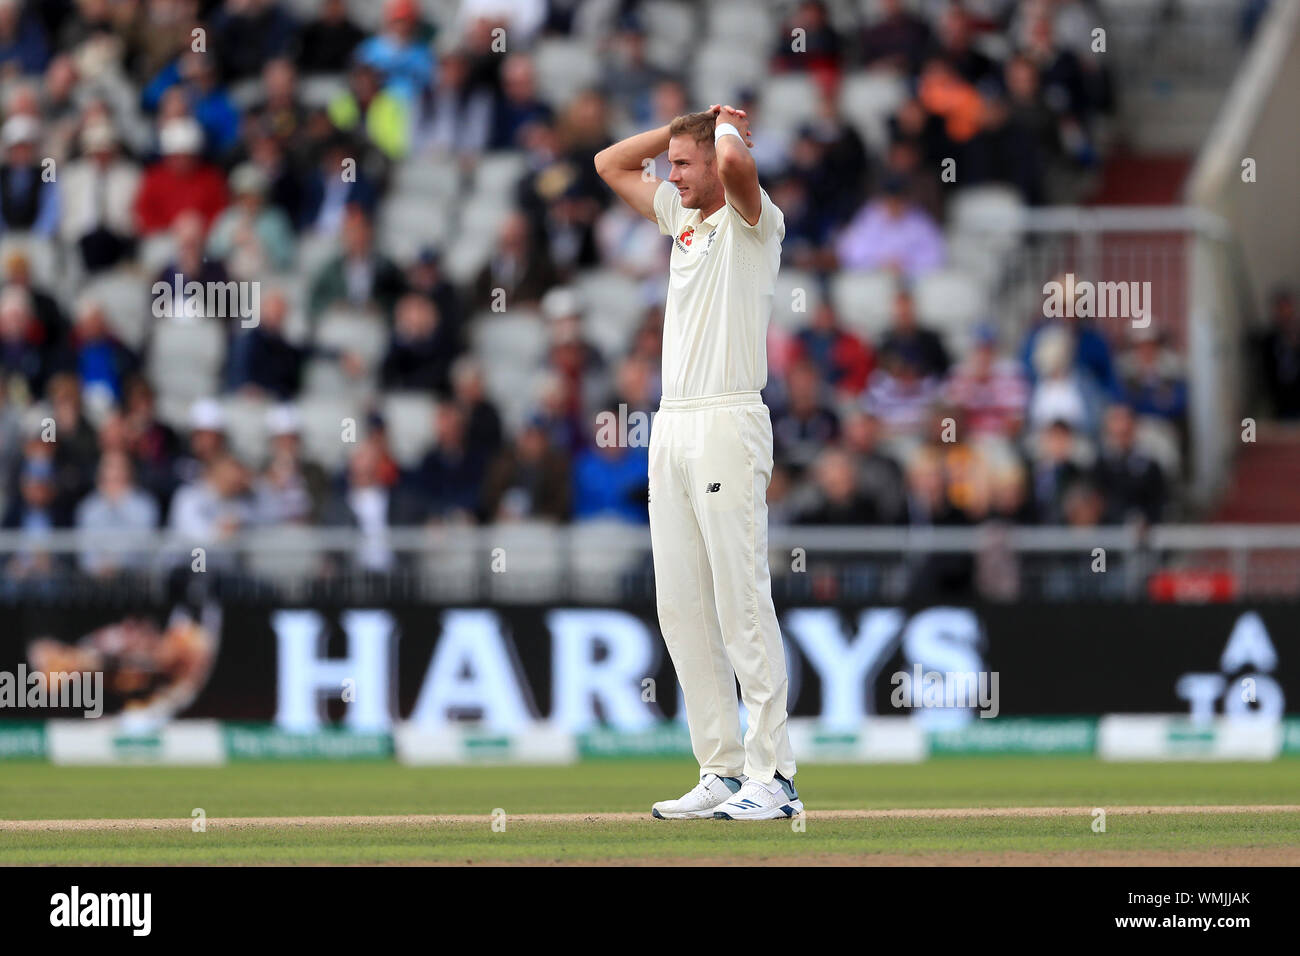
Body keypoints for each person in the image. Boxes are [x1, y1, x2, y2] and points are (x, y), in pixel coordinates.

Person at [595, 104, 802, 820]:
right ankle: (722, 768)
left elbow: (741, 167)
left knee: (740, 600)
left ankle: (773, 777)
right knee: (681, 605)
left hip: (727, 416)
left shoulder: (754, 221)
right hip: (673, 423)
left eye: (684, 164)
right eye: (673, 165)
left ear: (715, 162)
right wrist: (680, 130)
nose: (671, 174)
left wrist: (721, 130)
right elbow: (609, 164)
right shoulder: (681, 222)